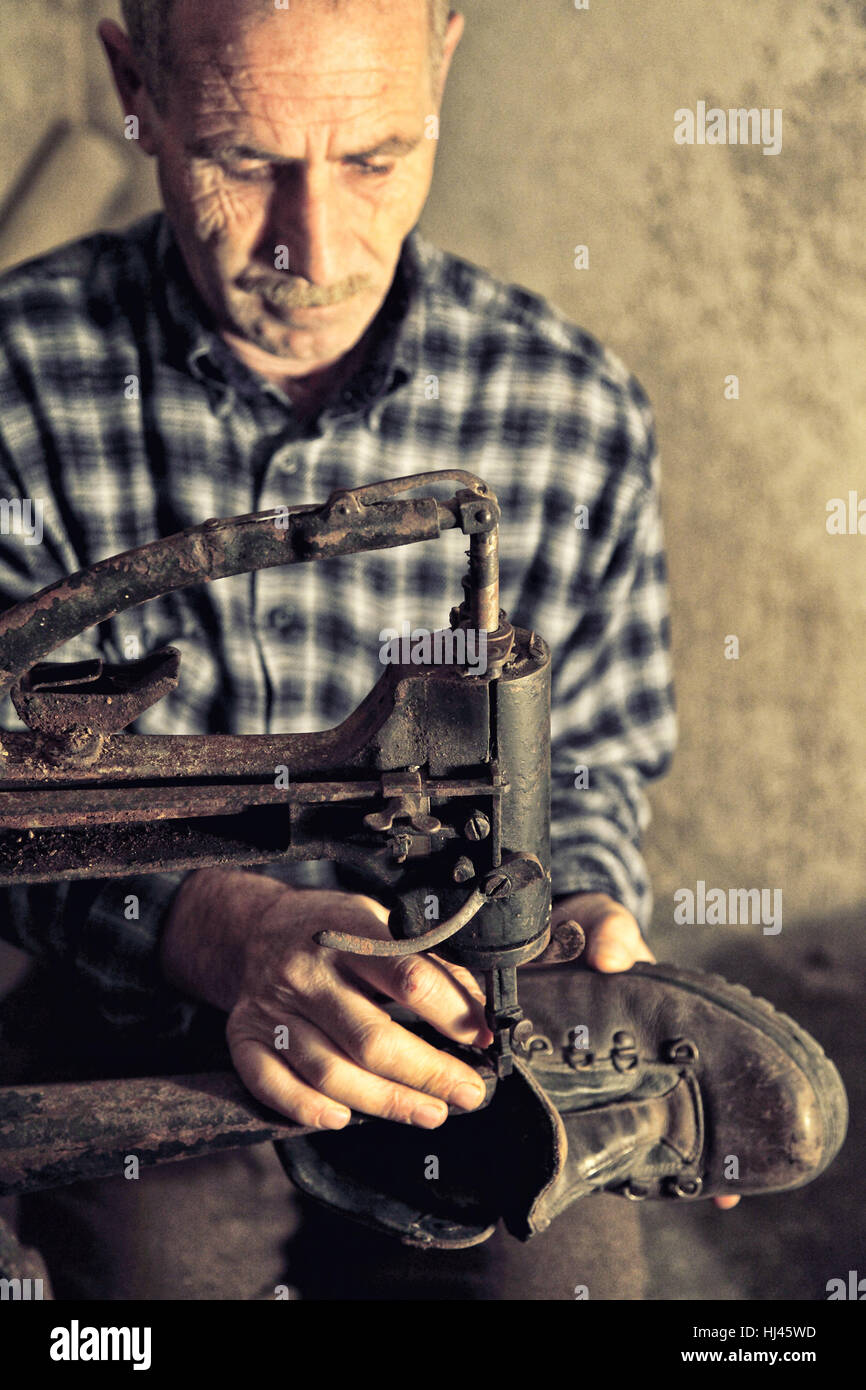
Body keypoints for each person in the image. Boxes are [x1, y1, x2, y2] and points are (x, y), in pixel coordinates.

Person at [0, 0, 841, 1300]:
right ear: (136, 87)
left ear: (443, 64)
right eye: (241, 158)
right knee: (137, 1285)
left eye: (375, 158)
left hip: (459, 1025)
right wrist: (221, 930)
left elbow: (594, 762)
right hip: (122, 1013)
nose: (315, 248)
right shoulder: (17, 385)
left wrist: (569, 923)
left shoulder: (574, 410)